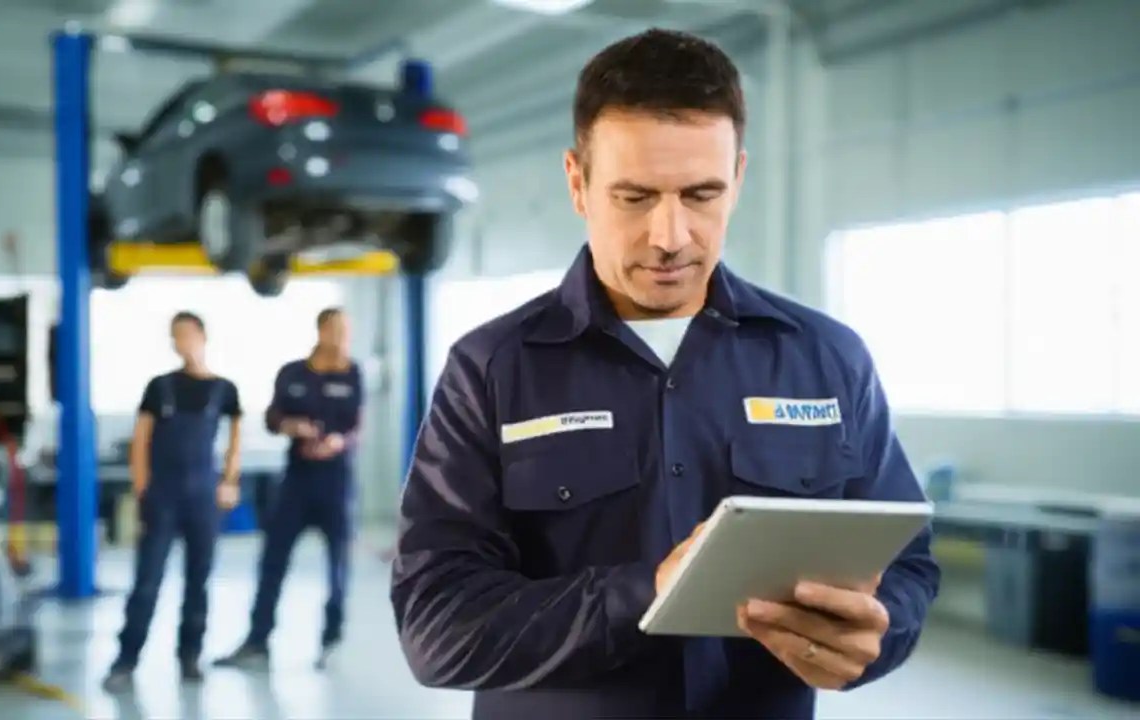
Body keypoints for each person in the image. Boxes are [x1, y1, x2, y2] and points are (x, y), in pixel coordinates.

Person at [390, 28, 940, 720]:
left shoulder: (828, 361)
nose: (670, 235)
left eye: (702, 194)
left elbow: (907, 565)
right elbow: (437, 628)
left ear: (738, 178)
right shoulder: (492, 370)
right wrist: (647, 594)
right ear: (578, 182)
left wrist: (879, 631)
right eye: (635, 197)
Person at [216, 307, 363, 670]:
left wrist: (337, 442)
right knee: (272, 560)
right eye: (337, 330)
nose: (343, 337)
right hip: (297, 480)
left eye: (348, 331)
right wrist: (290, 426)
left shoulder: (353, 373)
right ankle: (257, 641)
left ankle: (331, 640)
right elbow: (271, 417)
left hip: (336, 480)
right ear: (321, 330)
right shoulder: (292, 373)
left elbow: (357, 426)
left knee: (338, 565)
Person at [104, 311, 243, 690]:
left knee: (199, 580)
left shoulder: (225, 390)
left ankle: (190, 656)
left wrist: (230, 481)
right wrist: (142, 488)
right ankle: (126, 660)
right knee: (147, 580)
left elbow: (235, 441)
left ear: (202, 336)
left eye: (185, 335)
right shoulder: (159, 387)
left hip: (203, 496)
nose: (180, 343)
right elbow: (141, 441)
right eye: (174, 337)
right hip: (162, 496)